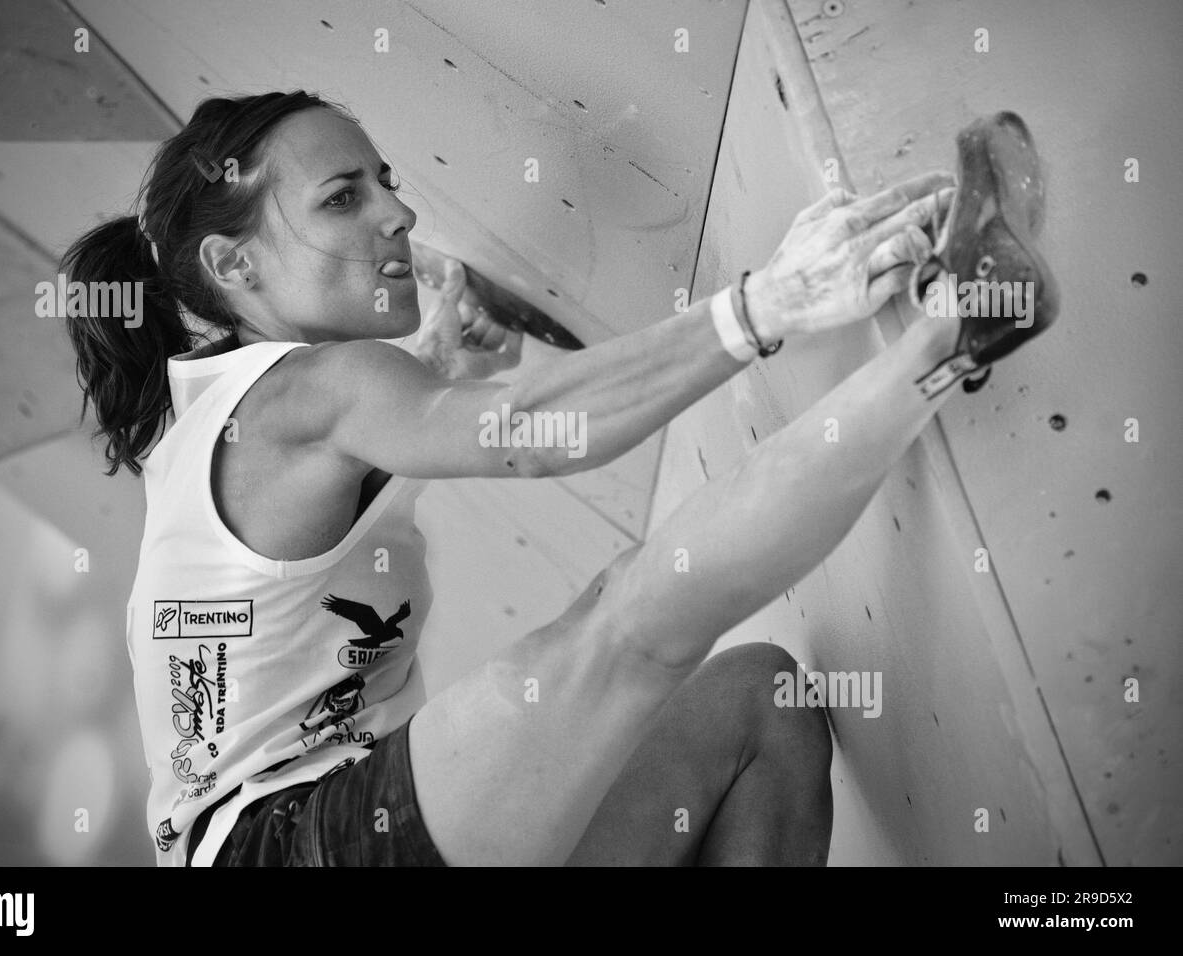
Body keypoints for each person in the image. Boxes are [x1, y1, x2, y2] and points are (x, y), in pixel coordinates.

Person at [62, 90, 994, 867]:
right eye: (342, 199)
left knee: (763, 707)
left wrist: (439, 365)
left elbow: (392, 441)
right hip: (285, 842)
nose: (399, 213)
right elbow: (532, 435)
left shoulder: (223, 420)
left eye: (386, 183)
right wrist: (768, 303)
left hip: (332, 827)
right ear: (235, 265)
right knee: (627, 618)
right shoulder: (305, 391)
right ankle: (952, 341)